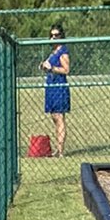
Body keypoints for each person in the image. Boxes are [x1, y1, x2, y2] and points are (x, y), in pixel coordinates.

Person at [42, 25, 71, 157]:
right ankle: (56, 148)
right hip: (51, 86)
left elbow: (66, 70)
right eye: (52, 35)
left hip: (59, 86)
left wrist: (52, 68)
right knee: (54, 117)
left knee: (59, 118)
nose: (54, 37)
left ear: (61, 36)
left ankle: (60, 150)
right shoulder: (53, 51)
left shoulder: (63, 52)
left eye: (57, 35)